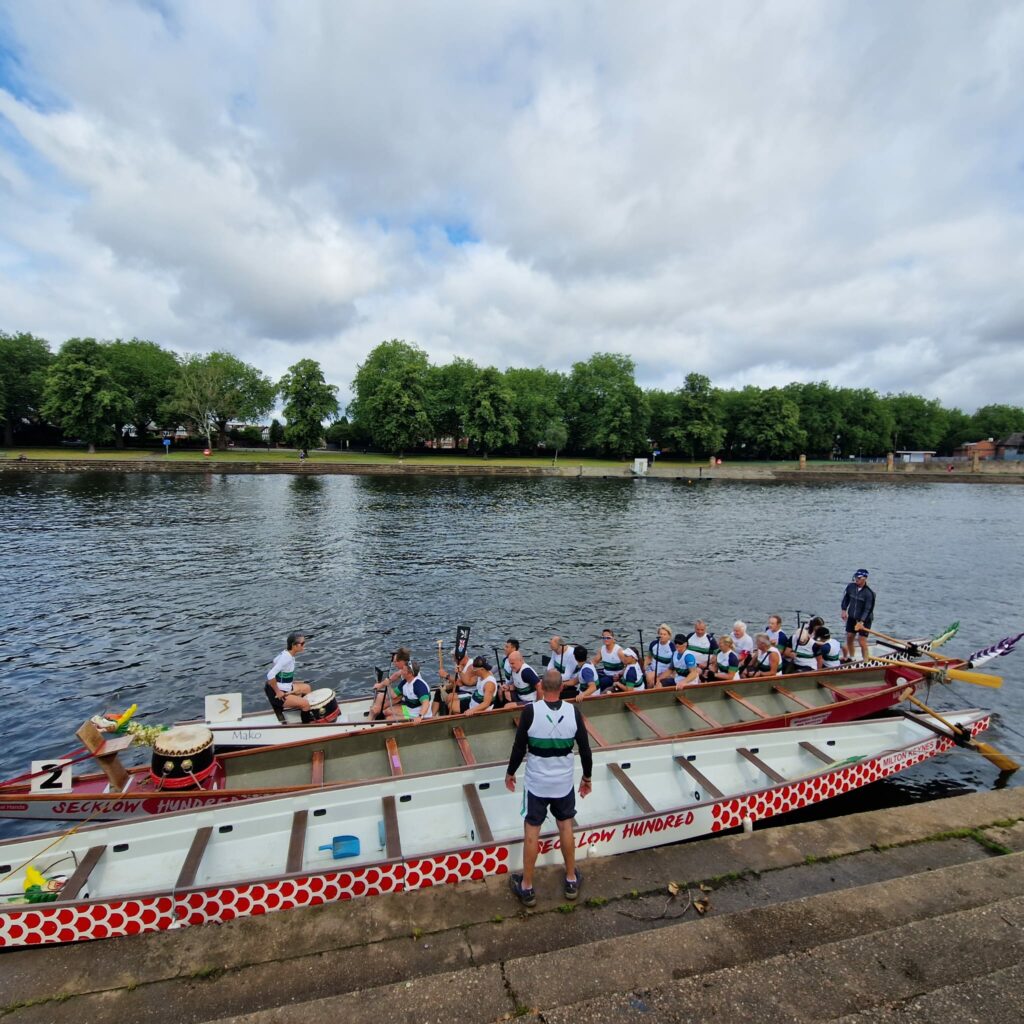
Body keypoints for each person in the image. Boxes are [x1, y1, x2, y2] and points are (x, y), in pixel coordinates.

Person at [506, 669, 593, 907]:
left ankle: (527, 887)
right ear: (562, 688)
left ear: (542, 688)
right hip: (563, 783)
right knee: (565, 826)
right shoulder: (573, 712)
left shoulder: (530, 711)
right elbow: (585, 749)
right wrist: (587, 778)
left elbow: (518, 747)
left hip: (537, 783)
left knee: (532, 831)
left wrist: (510, 772)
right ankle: (571, 878)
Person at [264, 632, 312, 715]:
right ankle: (306, 722)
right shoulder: (286, 658)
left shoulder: (287, 653)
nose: (304, 645)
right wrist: (278, 692)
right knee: (306, 704)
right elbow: (270, 675)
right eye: (302, 643)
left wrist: (291, 681)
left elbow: (276, 662)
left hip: (285, 686)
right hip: (278, 694)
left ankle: (302, 710)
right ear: (294, 645)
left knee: (307, 688)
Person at [841, 569, 876, 662]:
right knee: (849, 637)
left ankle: (866, 661)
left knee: (861, 641)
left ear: (864, 579)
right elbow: (846, 598)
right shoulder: (850, 587)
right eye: (856, 577)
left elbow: (868, 609)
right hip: (852, 617)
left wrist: (861, 622)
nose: (856, 579)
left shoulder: (869, 593)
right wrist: (844, 610)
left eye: (859, 578)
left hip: (865, 620)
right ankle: (852, 657)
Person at [370, 646, 412, 720]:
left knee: (386, 712)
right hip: (404, 696)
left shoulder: (408, 674)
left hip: (410, 705)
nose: (394, 664)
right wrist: (381, 685)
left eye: (395, 662)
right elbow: (396, 675)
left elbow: (394, 696)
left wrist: (388, 685)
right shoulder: (406, 667)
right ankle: (373, 715)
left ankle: (373, 717)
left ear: (402, 661)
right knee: (380, 696)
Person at [384, 655, 431, 721]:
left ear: (410, 673)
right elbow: (393, 695)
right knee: (387, 712)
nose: (401, 671)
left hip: (418, 715)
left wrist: (420, 716)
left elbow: (426, 703)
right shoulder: (405, 682)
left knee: (389, 719)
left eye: (403, 670)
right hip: (410, 709)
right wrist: (388, 685)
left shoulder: (419, 685)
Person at [434, 646, 474, 717]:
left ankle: (449, 717)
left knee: (450, 698)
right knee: (439, 692)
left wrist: (446, 675)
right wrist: (447, 687)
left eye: (454, 658)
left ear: (461, 657)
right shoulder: (459, 664)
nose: (453, 660)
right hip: (461, 689)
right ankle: (432, 715)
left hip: (470, 691)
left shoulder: (471, 666)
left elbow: (460, 683)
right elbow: (456, 681)